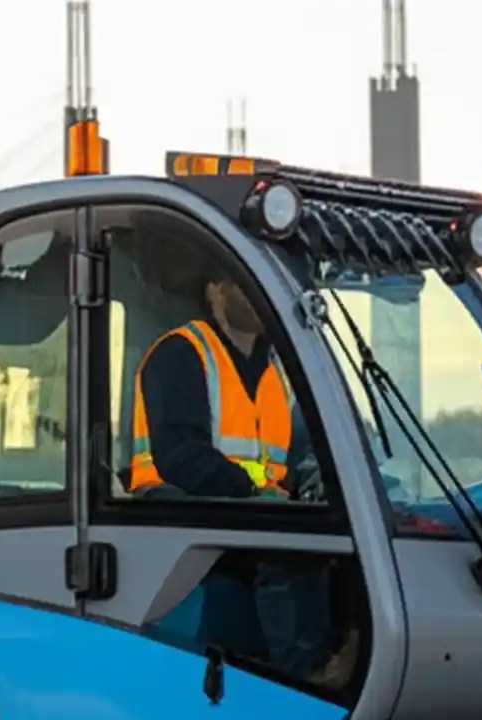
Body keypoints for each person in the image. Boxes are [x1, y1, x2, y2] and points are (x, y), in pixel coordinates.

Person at [127, 265, 353, 687]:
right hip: (180, 516)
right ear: (214, 291)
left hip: (248, 515)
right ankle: (304, 680)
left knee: (345, 537)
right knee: (290, 546)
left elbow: (298, 451)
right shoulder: (179, 354)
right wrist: (253, 493)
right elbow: (180, 456)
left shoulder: (278, 369)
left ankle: (349, 661)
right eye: (247, 283)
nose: (260, 293)